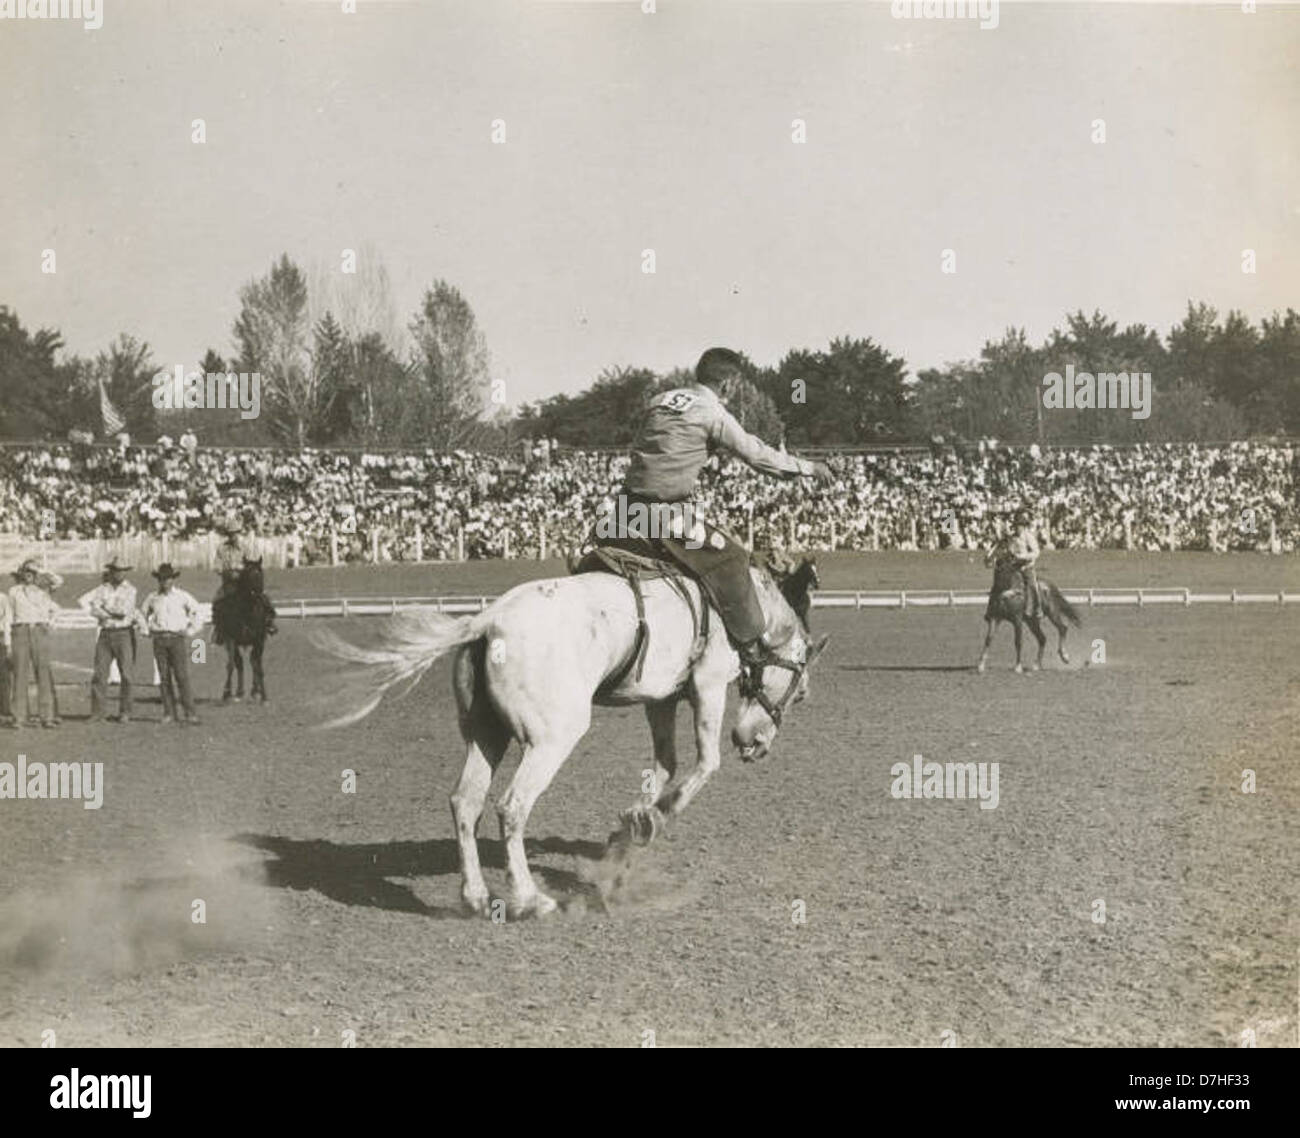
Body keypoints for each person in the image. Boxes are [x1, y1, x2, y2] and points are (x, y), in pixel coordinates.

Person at [614, 347, 833, 690]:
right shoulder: (711, 412)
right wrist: (808, 468)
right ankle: (751, 654)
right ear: (729, 384)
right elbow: (757, 455)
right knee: (733, 557)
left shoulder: (659, 400)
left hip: (621, 513)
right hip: (663, 517)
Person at [139, 563, 201, 726]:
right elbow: (141, 614)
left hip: (176, 639)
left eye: (168, 579)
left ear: (173, 580)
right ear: (158, 580)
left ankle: (190, 712)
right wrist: (146, 630)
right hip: (159, 640)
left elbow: (197, 612)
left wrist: (190, 631)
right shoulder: (152, 598)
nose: (165, 582)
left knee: (181, 676)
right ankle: (169, 712)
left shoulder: (182, 596)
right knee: (164, 677)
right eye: (161, 579)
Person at [7, 558, 63, 728]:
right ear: (22, 574)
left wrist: (42, 570)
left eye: (32, 573)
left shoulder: (44, 590)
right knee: (20, 674)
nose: (29, 576)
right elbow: (9, 615)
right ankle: (19, 717)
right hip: (20, 631)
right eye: (26, 572)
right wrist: (9, 642)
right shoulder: (14, 591)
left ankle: (47, 716)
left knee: (43, 673)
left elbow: (59, 581)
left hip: (39, 631)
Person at [82, 555, 138, 723]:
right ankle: (98, 713)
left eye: (122, 571)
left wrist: (105, 609)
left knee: (126, 674)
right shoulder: (102, 589)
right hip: (106, 633)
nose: (119, 574)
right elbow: (93, 609)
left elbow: (124, 611)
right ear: (111, 572)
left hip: (124, 633)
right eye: (116, 571)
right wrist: (109, 611)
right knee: (99, 674)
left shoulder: (131, 590)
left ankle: (125, 712)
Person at [0, 585, 13, 727]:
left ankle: (4, 711)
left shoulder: (2, 598)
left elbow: (7, 622)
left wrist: (8, 644)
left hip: (0, 639)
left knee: (3, 676)